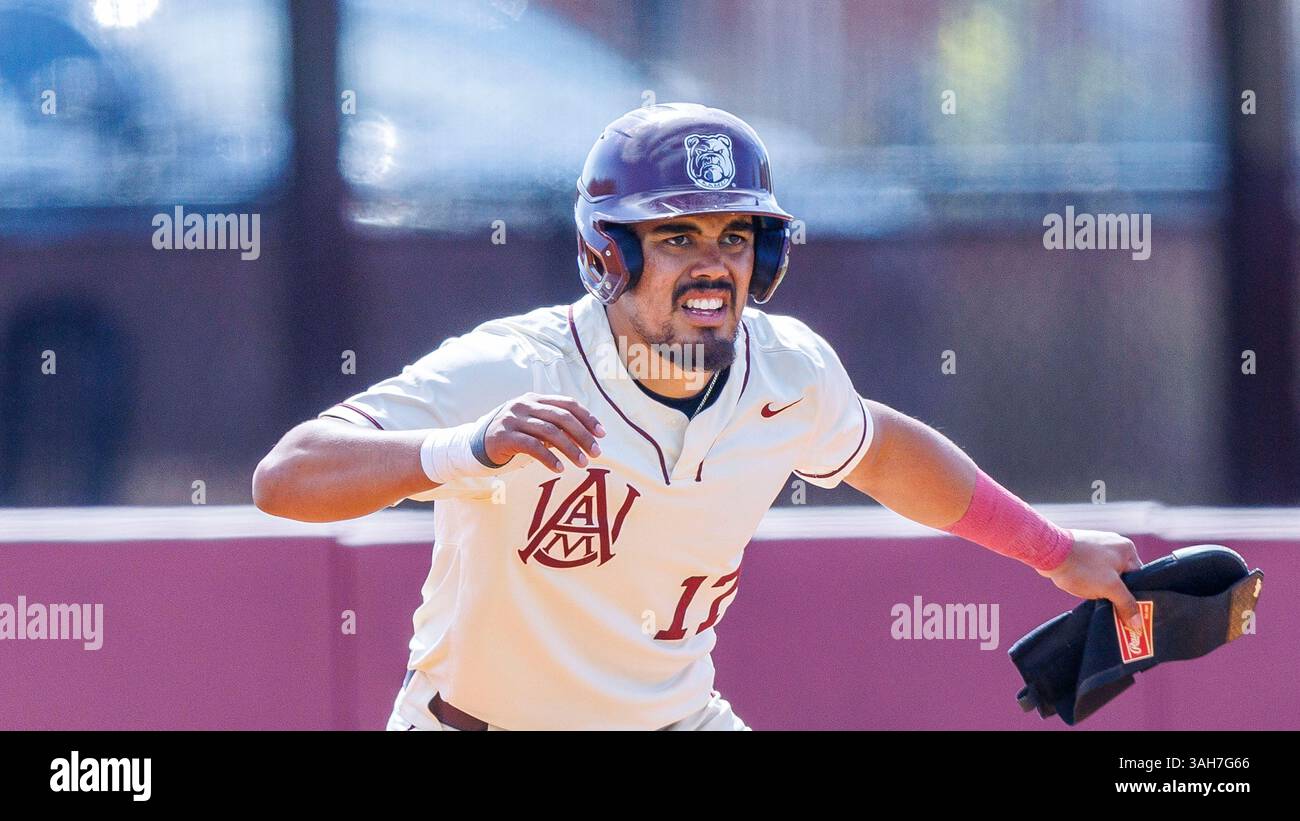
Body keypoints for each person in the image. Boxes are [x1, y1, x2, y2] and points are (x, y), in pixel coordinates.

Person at [252, 103, 1144, 731]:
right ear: (608, 252)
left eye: (735, 235)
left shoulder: (787, 369)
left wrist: (1056, 551)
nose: (713, 264)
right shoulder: (514, 369)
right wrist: (465, 449)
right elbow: (286, 477)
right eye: (676, 237)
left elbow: (885, 453)